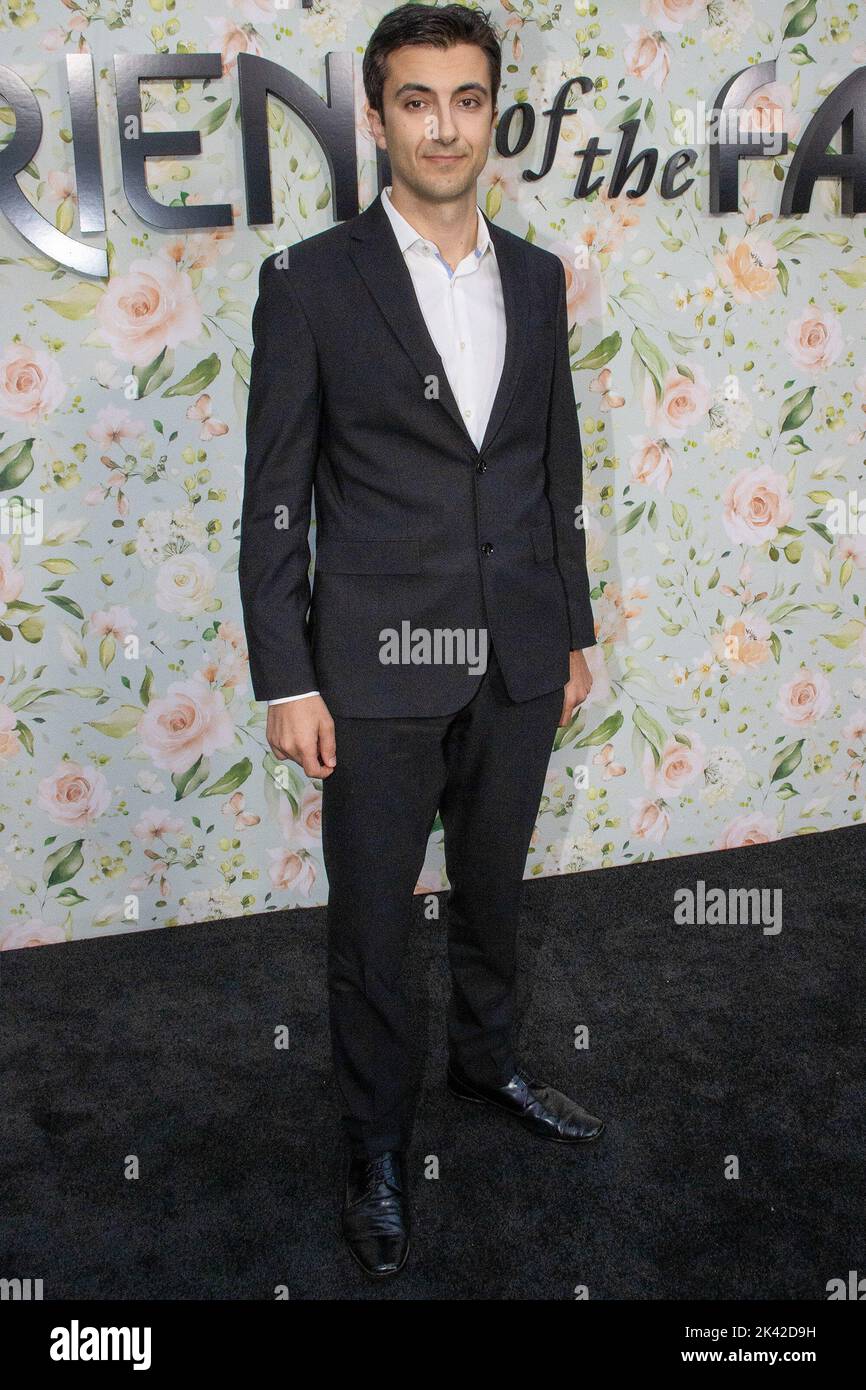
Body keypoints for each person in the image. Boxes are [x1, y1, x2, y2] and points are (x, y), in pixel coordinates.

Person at [239, 3, 604, 1281]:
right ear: (377, 113)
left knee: (497, 887)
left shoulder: (539, 274)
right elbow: (274, 491)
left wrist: (571, 624)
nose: (442, 125)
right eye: (414, 100)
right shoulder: (309, 282)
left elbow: (551, 461)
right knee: (373, 928)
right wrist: (284, 672)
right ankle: (375, 1146)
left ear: (491, 109)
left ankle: (488, 1061)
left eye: (464, 98)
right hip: (374, 665)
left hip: (517, 650)